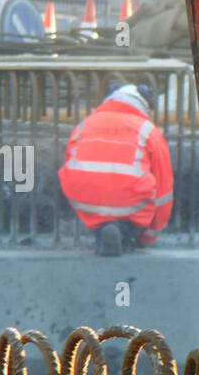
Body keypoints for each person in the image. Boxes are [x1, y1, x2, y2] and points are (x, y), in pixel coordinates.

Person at [58, 82, 174, 256]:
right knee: (134, 204)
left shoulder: (84, 125)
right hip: (132, 204)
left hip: (86, 202)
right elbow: (164, 188)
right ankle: (125, 233)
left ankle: (103, 232)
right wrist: (149, 237)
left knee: (94, 198)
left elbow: (70, 163)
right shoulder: (148, 130)